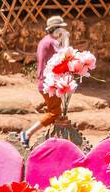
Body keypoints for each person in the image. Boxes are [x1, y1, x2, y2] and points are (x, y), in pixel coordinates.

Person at [20, 16, 69, 147]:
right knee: (55, 113)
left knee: (55, 113)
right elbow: (65, 56)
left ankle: (53, 141)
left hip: (44, 82)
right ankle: (28, 133)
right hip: (50, 83)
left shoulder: (44, 41)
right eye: (62, 29)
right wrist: (66, 39)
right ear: (57, 29)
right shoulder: (52, 42)